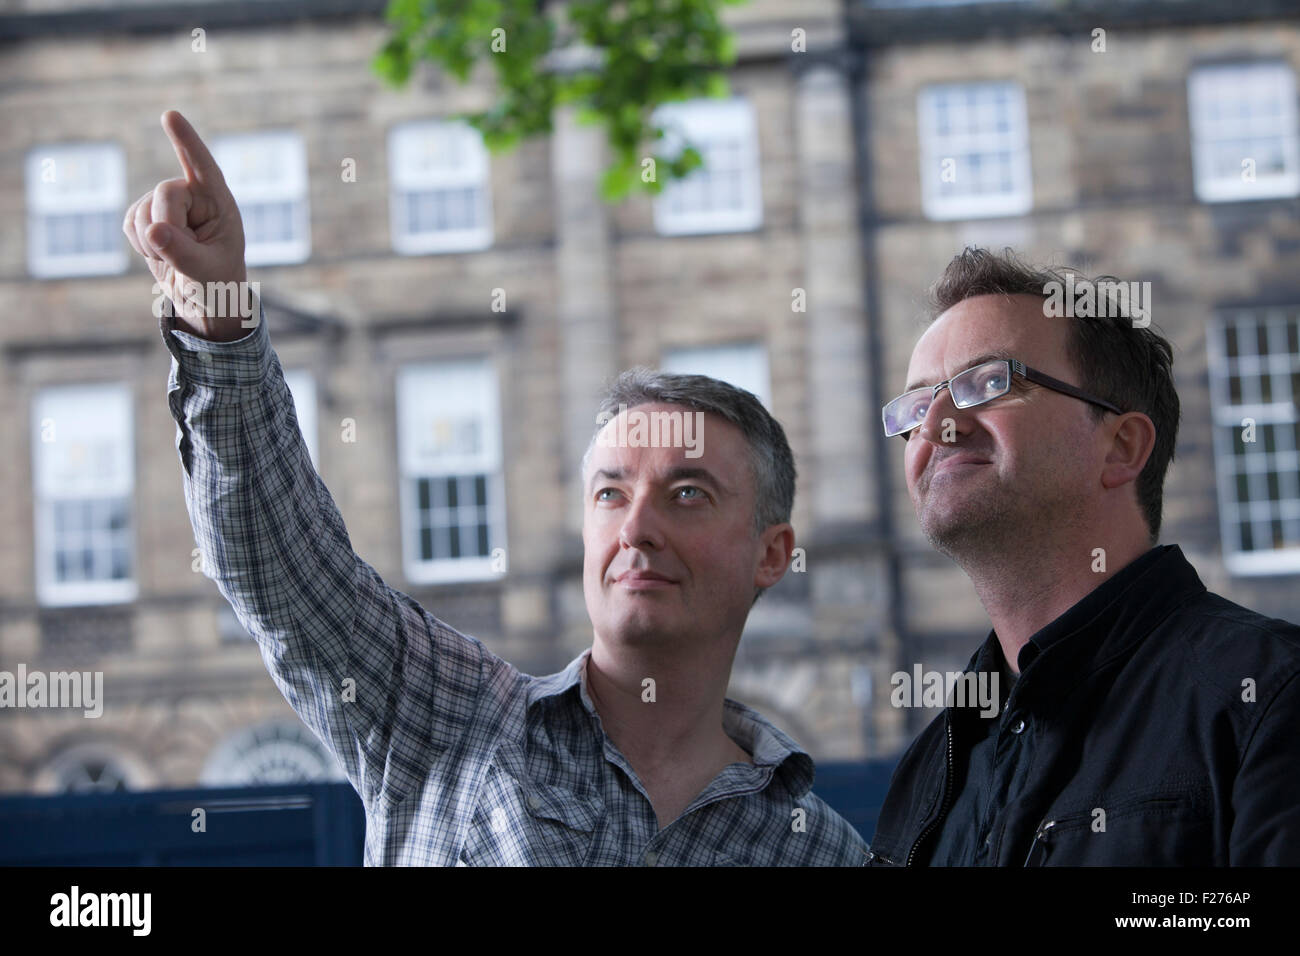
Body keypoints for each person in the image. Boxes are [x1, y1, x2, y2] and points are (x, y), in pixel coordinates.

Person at [123, 109, 868, 866]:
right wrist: (217, 318)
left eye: (687, 494)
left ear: (772, 553)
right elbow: (279, 563)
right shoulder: (445, 710)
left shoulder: (819, 852)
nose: (636, 528)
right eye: (611, 494)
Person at [867, 247, 1300, 866]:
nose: (937, 423)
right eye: (915, 407)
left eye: (988, 383)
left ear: (1121, 446)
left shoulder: (1269, 698)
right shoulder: (931, 764)